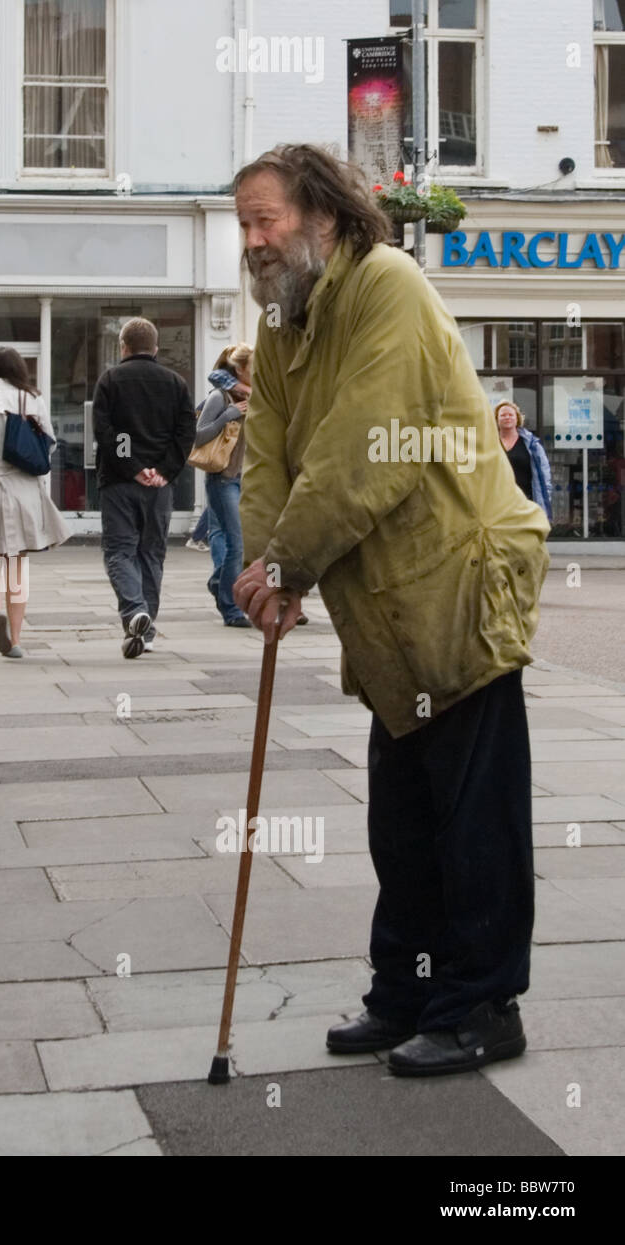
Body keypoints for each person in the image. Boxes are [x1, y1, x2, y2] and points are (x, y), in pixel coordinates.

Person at [231, 144, 550, 1077]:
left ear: (323, 215)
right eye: (244, 225)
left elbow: (366, 449)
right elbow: (272, 453)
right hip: (383, 609)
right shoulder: (286, 324)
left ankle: (482, 1003)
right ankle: (407, 989)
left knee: (473, 817)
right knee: (403, 822)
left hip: (454, 581)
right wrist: (262, 565)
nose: (252, 241)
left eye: (266, 220)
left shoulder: (390, 285)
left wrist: (287, 564)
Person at [93, 317, 198, 657]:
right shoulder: (175, 383)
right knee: (152, 553)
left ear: (123, 347)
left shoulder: (110, 380)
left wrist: (134, 467)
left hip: (119, 484)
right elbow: (185, 432)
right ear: (155, 348)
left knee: (120, 551)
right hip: (160, 488)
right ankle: (146, 629)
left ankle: (134, 609)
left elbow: (105, 432)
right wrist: (163, 471)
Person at [0, 346, 71, 658]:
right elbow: (48, 446)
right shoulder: (33, 398)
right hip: (26, 491)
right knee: (18, 566)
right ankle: (16, 640)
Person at [193, 344, 254, 627]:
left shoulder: (256, 397)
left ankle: (218, 583)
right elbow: (198, 435)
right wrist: (228, 415)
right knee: (236, 544)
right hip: (223, 479)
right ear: (239, 369)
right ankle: (230, 609)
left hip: (247, 480)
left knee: (238, 542)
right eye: (254, 366)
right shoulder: (220, 397)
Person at [495, 400, 553, 521]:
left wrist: (545, 498)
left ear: (517, 419)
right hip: (496, 503)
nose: (507, 417)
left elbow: (544, 473)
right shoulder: (489, 443)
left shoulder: (532, 444)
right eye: (503, 415)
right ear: (496, 419)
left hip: (525, 502)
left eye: (511, 415)